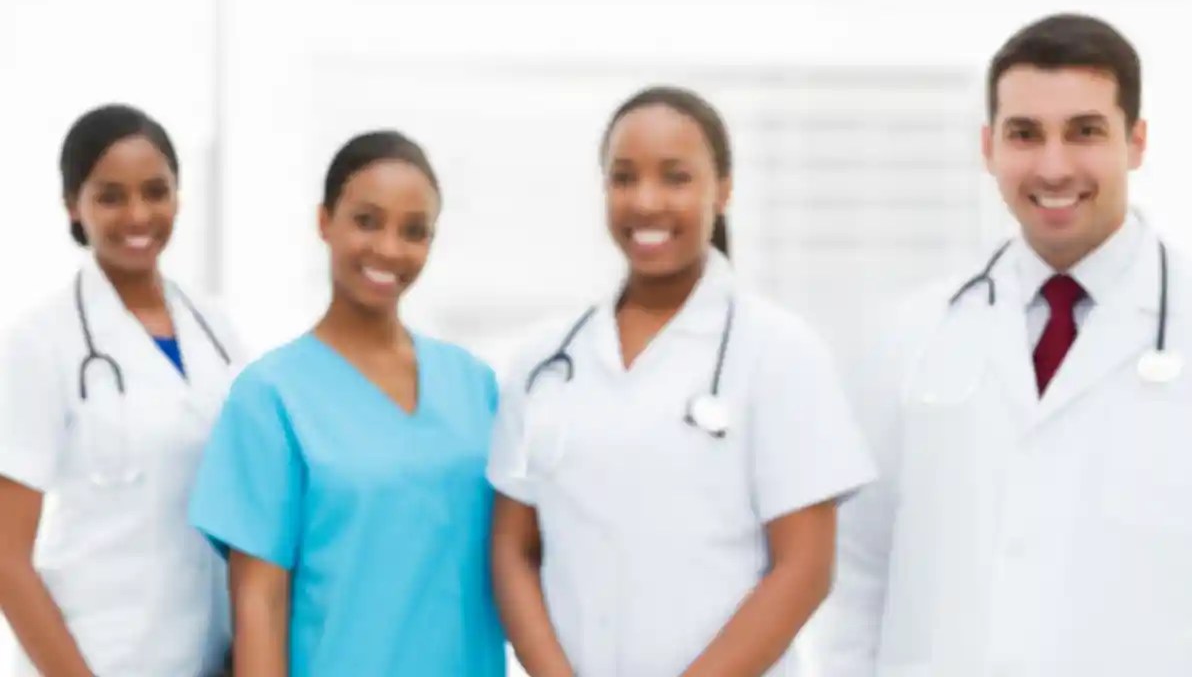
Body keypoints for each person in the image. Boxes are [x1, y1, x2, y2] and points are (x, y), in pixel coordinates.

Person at [813, 13, 1192, 676]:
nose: (1053, 166)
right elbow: (858, 582)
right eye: (1025, 135)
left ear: (1136, 142)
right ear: (988, 147)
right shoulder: (908, 338)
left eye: (1085, 132)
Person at [488, 85, 876, 676]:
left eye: (676, 177)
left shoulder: (778, 350)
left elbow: (805, 569)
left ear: (722, 189)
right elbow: (513, 551)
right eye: (624, 178)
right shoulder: (544, 362)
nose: (646, 201)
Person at [188, 130, 506, 676]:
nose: (388, 248)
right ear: (324, 222)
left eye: (413, 231)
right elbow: (259, 605)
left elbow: (519, 560)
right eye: (366, 220)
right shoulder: (272, 398)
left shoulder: (475, 385)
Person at [0, 104, 243, 676]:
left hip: (207, 656)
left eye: (156, 191)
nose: (138, 214)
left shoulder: (218, 330)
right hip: (98, 656)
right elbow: (6, 559)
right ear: (73, 206)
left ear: (178, 197)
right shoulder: (42, 342)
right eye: (111, 196)